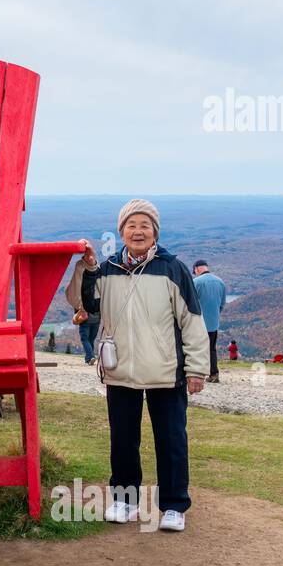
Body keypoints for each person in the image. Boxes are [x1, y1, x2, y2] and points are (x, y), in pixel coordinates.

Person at [80, 199, 209, 532]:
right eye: (131, 225)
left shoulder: (172, 269)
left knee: (171, 440)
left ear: (155, 232)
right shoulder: (106, 269)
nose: (138, 231)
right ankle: (125, 501)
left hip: (165, 372)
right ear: (121, 231)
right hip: (121, 371)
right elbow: (85, 305)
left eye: (145, 226)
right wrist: (87, 267)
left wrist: (196, 369)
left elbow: (192, 321)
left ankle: (173, 505)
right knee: (123, 440)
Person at [192, 259, 227, 383]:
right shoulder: (220, 282)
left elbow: (188, 303)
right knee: (211, 349)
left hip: (196, 323)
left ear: (196, 269)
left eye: (194, 271)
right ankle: (214, 374)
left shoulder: (195, 282)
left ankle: (195, 375)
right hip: (213, 324)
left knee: (194, 349)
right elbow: (222, 304)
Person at [65, 258, 101, 364]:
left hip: (85, 318)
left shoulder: (79, 291)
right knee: (91, 339)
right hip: (96, 318)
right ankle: (88, 358)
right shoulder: (96, 288)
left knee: (85, 339)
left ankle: (90, 357)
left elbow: (75, 300)